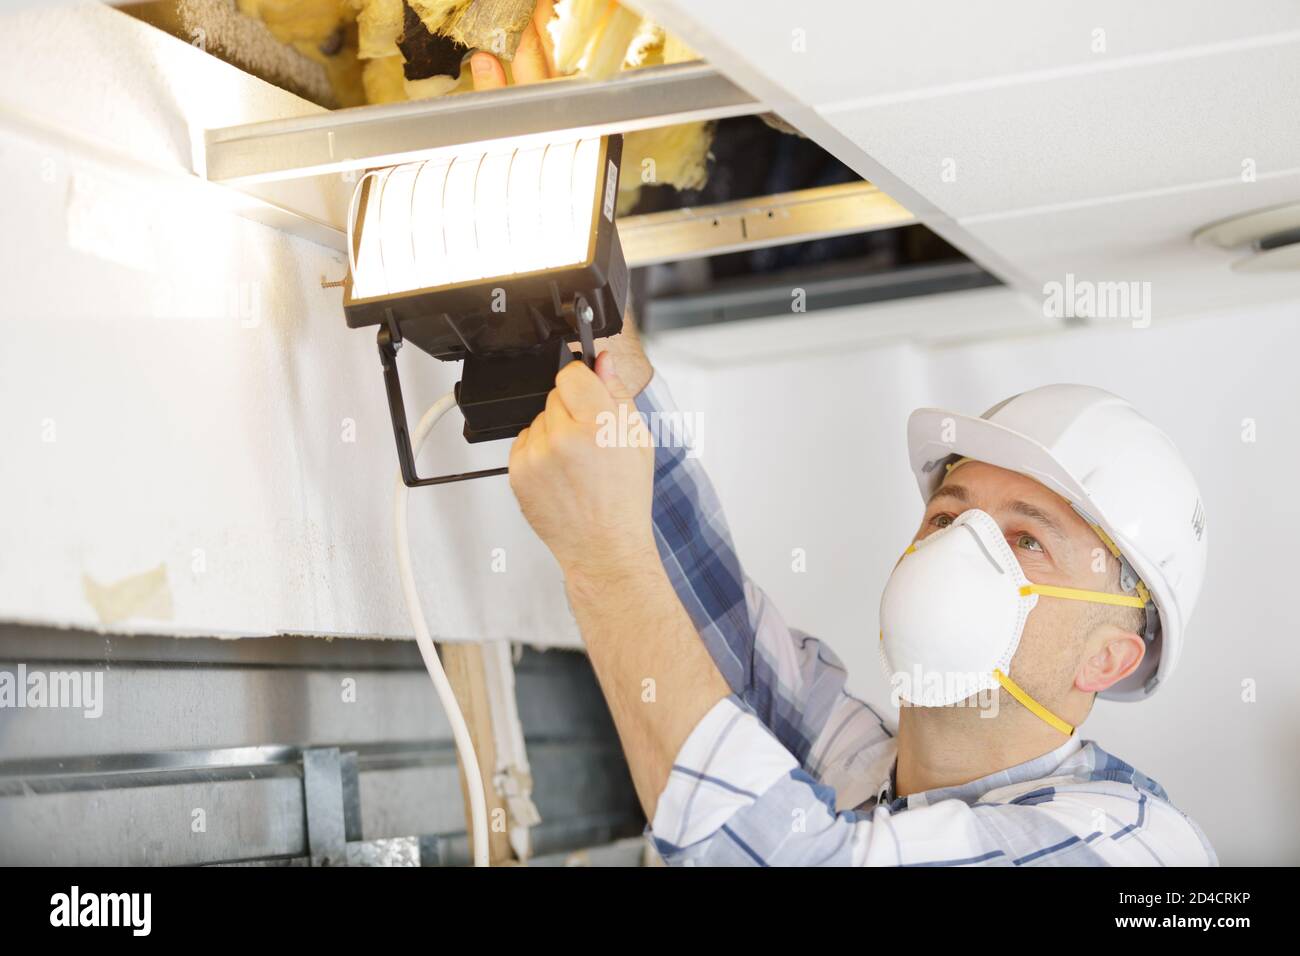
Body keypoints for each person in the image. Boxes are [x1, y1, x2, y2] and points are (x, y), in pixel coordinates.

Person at [471, 24, 1215, 868]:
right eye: (945, 516)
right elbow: (713, 622)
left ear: (1110, 657)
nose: (956, 549)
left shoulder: (1135, 849)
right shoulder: (862, 772)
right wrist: (595, 329)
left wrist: (604, 566)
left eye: (1026, 537)